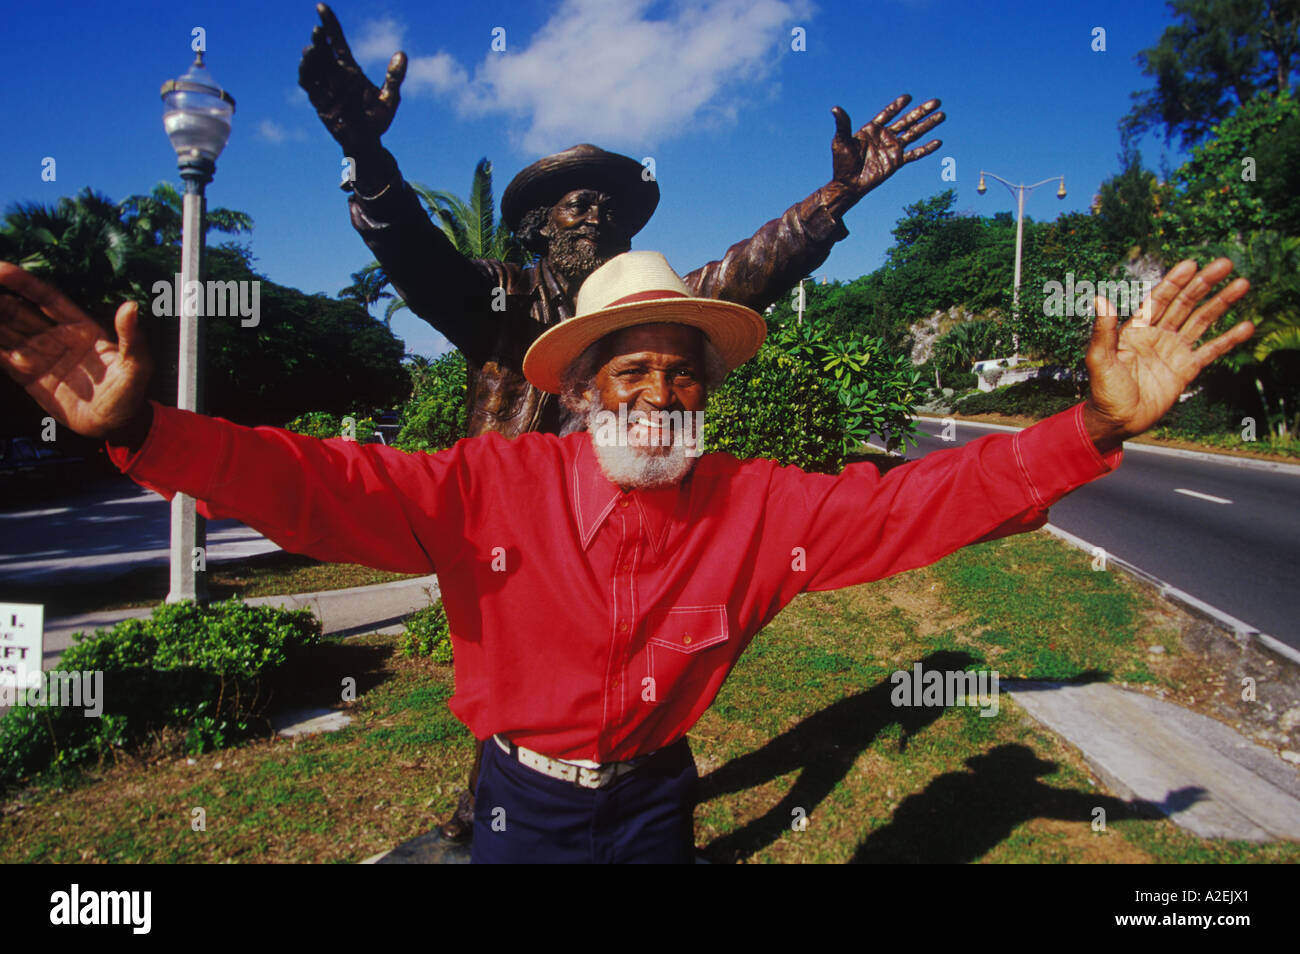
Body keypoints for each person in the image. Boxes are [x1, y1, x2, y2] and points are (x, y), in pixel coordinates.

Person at [0, 251, 1253, 863]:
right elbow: (317, 486)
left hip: (658, 802)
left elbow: (920, 502)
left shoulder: (761, 507)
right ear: (586, 395)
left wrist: (1086, 427)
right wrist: (151, 434)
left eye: (677, 373)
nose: (655, 394)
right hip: (520, 805)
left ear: (702, 394)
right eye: (629, 371)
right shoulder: (486, 485)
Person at [299, 1, 946, 837]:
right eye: (576, 206)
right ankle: (496, 795)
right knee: (516, 668)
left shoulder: (659, 307)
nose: (596, 216)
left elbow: (752, 268)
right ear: (538, 226)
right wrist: (368, 154)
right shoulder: (500, 301)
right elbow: (418, 259)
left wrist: (840, 194)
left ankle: (622, 791)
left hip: (631, 523)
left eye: (609, 207)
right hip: (523, 534)